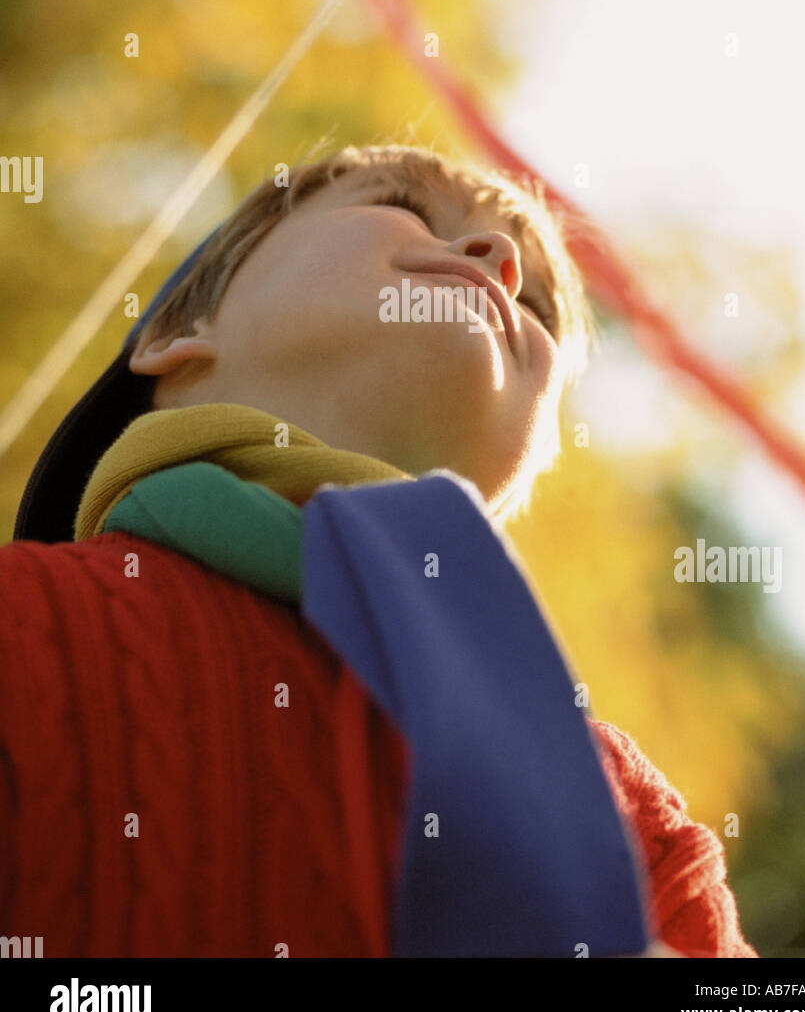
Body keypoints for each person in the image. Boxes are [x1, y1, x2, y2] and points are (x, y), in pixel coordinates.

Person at [0, 142, 756, 957]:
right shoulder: (22, 621)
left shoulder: (633, 816)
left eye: (536, 303)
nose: (497, 258)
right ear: (181, 330)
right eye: (404, 205)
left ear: (519, 477)